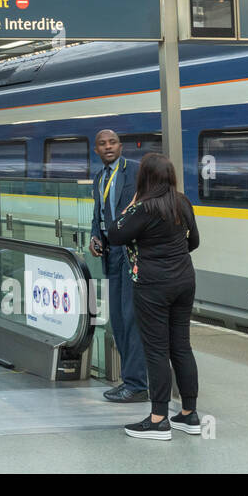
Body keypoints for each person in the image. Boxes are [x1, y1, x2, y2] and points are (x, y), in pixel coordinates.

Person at [106, 153, 202, 440]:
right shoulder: (182, 203)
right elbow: (193, 242)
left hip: (152, 286)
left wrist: (133, 202)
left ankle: (159, 419)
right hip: (184, 281)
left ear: (144, 178)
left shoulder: (143, 208)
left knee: (157, 350)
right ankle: (189, 414)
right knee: (181, 347)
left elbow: (114, 233)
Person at [89, 129, 146, 403]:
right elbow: (98, 215)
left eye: (112, 142)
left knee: (131, 317)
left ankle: (137, 383)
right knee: (118, 321)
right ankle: (129, 379)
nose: (108, 147)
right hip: (110, 254)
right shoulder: (99, 178)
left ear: (120, 146)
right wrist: (94, 236)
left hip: (130, 252)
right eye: (102, 144)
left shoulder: (133, 172)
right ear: (96, 150)